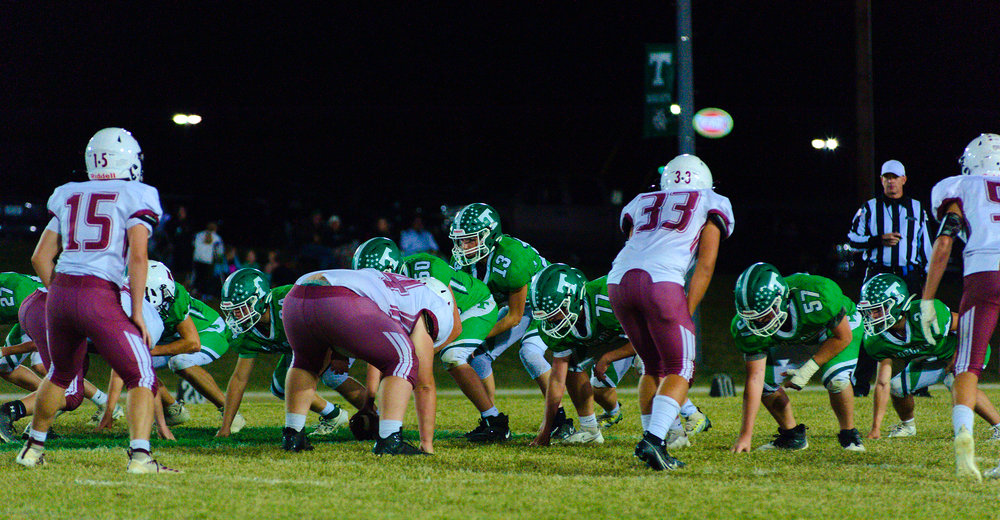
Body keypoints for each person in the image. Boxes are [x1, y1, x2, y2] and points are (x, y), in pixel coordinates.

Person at [16, 127, 177, 473]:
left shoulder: (68, 193)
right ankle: (140, 457)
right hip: (98, 292)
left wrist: (61, 294)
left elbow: (40, 257)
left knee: (59, 374)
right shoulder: (138, 193)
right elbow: (138, 257)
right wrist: (136, 311)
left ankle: (32, 449)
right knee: (142, 375)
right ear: (128, 160)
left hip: (59, 293)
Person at [607, 154, 734, 471]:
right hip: (662, 283)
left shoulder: (641, 201)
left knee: (652, 365)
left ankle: (651, 438)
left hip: (618, 281)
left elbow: (637, 243)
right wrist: (685, 310)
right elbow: (705, 265)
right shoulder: (710, 200)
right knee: (681, 367)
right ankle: (654, 440)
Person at [281, 269, 460, 455]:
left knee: (305, 362)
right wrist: (426, 443)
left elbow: (378, 353)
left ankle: (293, 435)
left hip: (296, 295)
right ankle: (390, 439)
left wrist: (368, 402)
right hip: (342, 300)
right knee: (404, 358)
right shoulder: (433, 306)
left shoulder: (399, 289)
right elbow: (424, 386)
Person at [353, 237, 510, 442]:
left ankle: (496, 422)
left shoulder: (425, 272)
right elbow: (380, 350)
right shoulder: (388, 290)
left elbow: (455, 327)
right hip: (442, 317)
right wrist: (368, 404)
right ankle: (387, 422)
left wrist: (417, 355)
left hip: (475, 306)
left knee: (452, 356)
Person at [448, 204, 570, 433]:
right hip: (521, 306)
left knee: (530, 352)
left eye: (471, 240)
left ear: (489, 235)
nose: (464, 246)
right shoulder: (466, 262)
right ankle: (492, 421)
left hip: (548, 303)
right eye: (460, 240)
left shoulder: (511, 258)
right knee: (479, 355)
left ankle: (560, 420)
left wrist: (474, 336)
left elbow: (514, 317)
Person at [921, 133, 1000, 481]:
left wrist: (927, 299)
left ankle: (964, 433)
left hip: (984, 270)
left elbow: (943, 244)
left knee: (967, 364)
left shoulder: (959, 187)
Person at [217, 268, 370, 439]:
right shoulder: (243, 332)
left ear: (261, 300)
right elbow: (239, 378)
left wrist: (339, 354)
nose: (235, 316)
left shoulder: (291, 301)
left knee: (332, 376)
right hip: (302, 343)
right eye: (231, 310)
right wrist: (226, 427)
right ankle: (334, 416)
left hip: (336, 327)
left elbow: (329, 321)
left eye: (240, 308)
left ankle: (377, 416)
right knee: (281, 386)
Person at [731, 262, 864, 453]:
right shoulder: (748, 325)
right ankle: (792, 436)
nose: (758, 323)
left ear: (780, 300)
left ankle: (849, 434)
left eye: (764, 315)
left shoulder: (817, 294)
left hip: (836, 330)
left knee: (836, 378)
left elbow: (843, 337)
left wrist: (808, 369)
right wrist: (745, 435)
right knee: (765, 385)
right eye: (752, 318)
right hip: (801, 338)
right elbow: (754, 378)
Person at [857, 274, 1000, 440]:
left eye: (877, 310)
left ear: (897, 303)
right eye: (869, 311)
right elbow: (883, 383)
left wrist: (957, 358)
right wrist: (875, 428)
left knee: (956, 383)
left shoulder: (925, 314)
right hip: (933, 358)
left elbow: (969, 326)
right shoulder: (876, 341)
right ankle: (908, 426)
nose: (872, 317)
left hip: (965, 349)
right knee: (897, 387)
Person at [526, 264, 641, 447]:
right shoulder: (554, 326)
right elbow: (557, 380)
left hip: (644, 334)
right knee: (573, 364)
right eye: (547, 316)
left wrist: (608, 358)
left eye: (556, 313)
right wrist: (546, 430)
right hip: (608, 339)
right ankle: (589, 430)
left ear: (574, 298)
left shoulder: (607, 297)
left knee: (649, 363)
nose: (551, 321)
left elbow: (648, 336)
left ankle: (672, 429)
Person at [847, 159, 934, 397]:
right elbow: (852, 240)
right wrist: (878, 240)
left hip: (908, 274)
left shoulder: (917, 208)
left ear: (904, 179)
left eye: (895, 177)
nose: (891, 181)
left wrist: (929, 277)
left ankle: (917, 384)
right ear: (881, 180)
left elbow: (926, 245)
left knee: (915, 325)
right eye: (887, 177)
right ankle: (860, 384)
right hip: (878, 274)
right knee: (869, 325)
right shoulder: (869, 208)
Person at [139, 261, 245, 432]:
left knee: (179, 361)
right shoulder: (136, 296)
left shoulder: (174, 299)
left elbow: (192, 343)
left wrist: (154, 350)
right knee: (134, 363)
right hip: (176, 338)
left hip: (209, 331)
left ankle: (230, 413)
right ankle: (173, 410)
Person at [192, 221, 224, 299]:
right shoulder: (216, 237)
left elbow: (193, 244)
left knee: (198, 277)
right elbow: (220, 250)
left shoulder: (198, 235)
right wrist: (219, 258)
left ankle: (197, 293)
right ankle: (204, 294)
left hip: (198, 259)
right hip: (207, 261)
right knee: (206, 278)